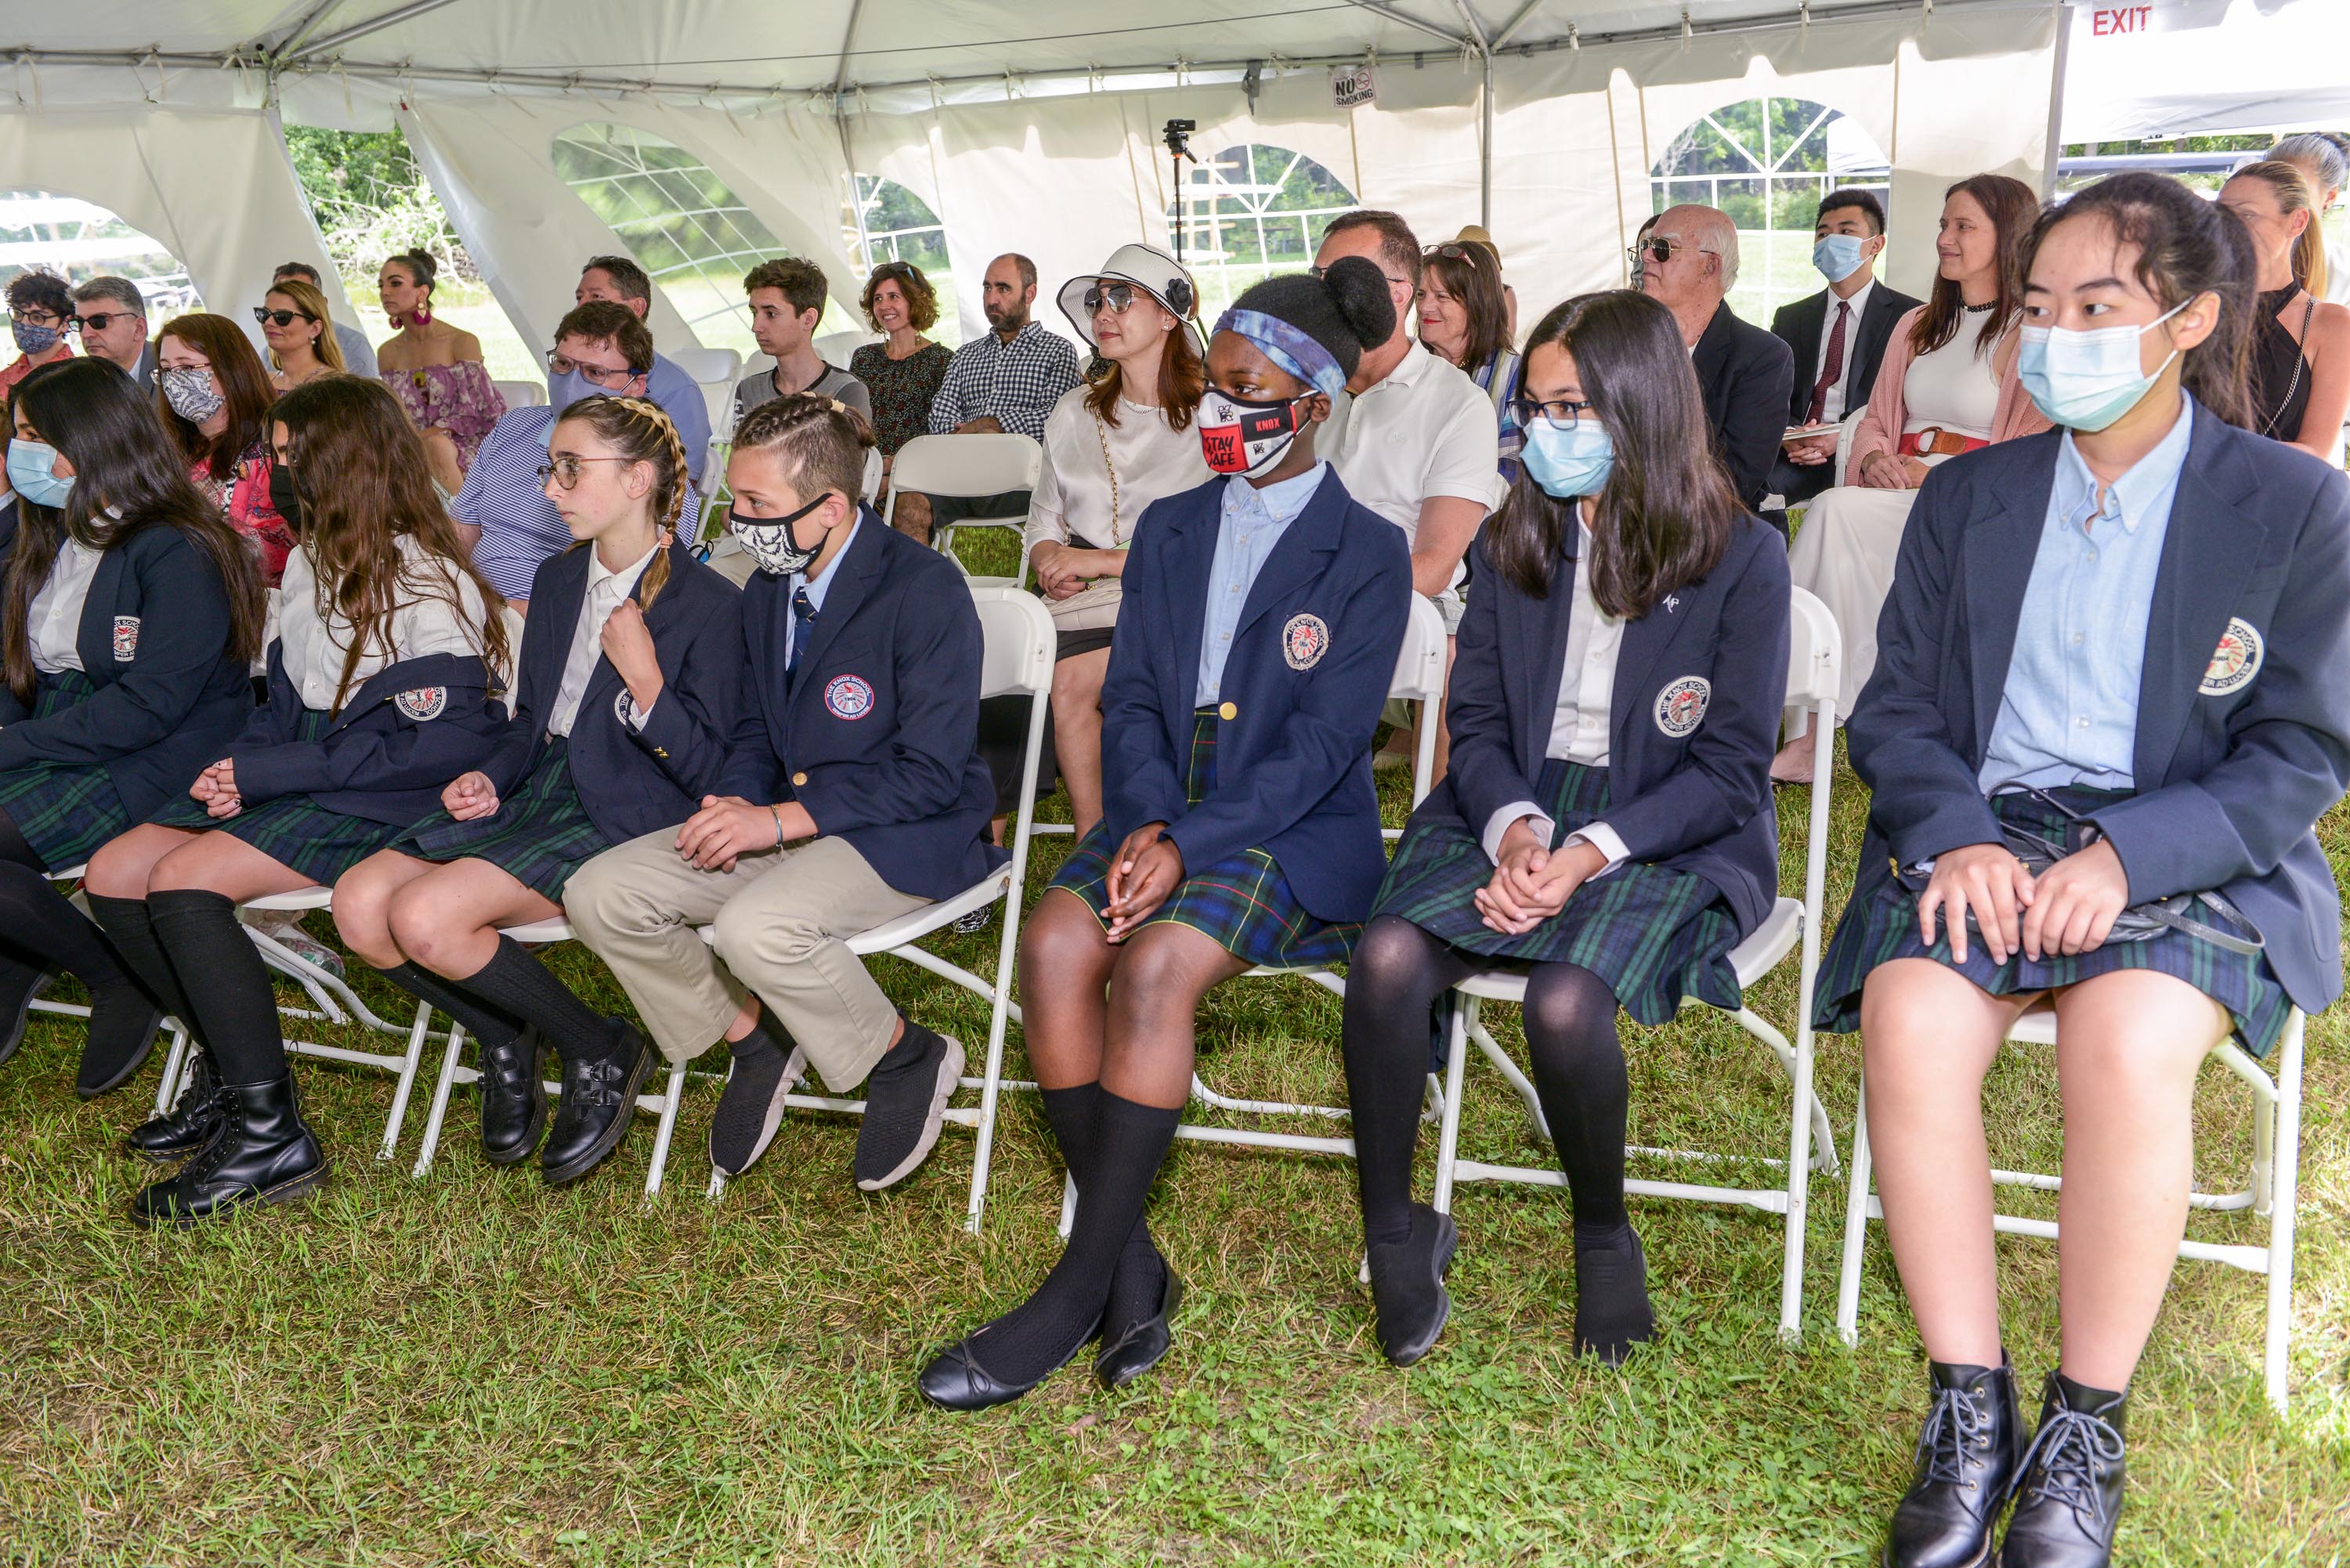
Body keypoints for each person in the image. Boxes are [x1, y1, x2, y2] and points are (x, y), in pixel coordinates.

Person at [1813, 172, 2350, 1568]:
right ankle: (1967, 1407)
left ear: (2187, 318)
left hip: (2192, 836)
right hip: (1993, 827)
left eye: (2096, 307)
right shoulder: (1973, 495)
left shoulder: (2293, 504)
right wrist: (1960, 833)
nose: (2058, 336)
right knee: (1912, 1019)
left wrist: (2130, 855)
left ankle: (2082, 1427)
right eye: (2039, 308)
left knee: (2120, 1043)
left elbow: (2301, 749)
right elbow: (1897, 715)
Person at [916, 260, 1412, 1411]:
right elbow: (1134, 694)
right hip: (1162, 797)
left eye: (1250, 391)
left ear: (1316, 402)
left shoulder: (1368, 550)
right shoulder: (1180, 524)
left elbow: (1325, 747)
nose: (1225, 412)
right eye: (1219, 388)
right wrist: (1145, 820)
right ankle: (1133, 1259)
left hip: (1284, 822)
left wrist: (1191, 842)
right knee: (1051, 943)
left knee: (1151, 971)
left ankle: (1079, 1280)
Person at [1339, 288, 1788, 1370]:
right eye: (1536, 407)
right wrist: (1517, 830)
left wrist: (1590, 851)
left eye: (1573, 406)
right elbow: (1479, 722)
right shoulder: (1514, 538)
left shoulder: (1741, 557)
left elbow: (1729, 767)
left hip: (1664, 822)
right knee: (1389, 954)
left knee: (1566, 995)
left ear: (1642, 408)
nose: (1546, 431)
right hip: (1518, 804)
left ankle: (1602, 1231)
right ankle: (1396, 1229)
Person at [81, 377, 508, 1223]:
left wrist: (268, 774)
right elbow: (284, 708)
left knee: (182, 883)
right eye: (272, 454)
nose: (274, 471)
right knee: (115, 871)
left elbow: (434, 747)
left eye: (288, 456)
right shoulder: (314, 558)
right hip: (319, 773)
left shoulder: (424, 581)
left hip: (396, 798)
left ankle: (272, 1131)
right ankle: (227, 1061)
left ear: (348, 461)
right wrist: (236, 765)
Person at [562, 395, 994, 1191]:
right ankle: (754, 1040)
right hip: (789, 819)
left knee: (754, 927)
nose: (737, 519)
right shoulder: (769, 586)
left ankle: (905, 1056)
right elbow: (760, 727)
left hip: (903, 828)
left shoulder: (924, 589)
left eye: (757, 504)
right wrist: (730, 805)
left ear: (831, 507)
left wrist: (776, 820)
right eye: (736, 497)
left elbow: (931, 772)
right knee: (600, 892)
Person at [331, 396, 741, 1184]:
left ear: (638, 480)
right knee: (358, 904)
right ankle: (506, 1029)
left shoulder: (711, 605)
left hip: (629, 803)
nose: (550, 488)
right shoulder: (557, 581)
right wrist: (492, 772)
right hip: (542, 785)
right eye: (549, 467)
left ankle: (599, 1043)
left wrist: (646, 678)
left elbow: (711, 771)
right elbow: (529, 717)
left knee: (423, 916)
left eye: (570, 469)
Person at [0, 359, 263, 1099]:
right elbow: (21, 676)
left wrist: (8, 747)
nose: (19, 454)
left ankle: (110, 974)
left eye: (33, 436)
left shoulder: (175, 547)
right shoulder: (51, 531)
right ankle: (29, 947)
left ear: (93, 439)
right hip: (69, 733)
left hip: (151, 756)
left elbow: (147, 708)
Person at [1772, 174, 2048, 785]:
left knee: (1834, 514)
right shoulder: (1920, 324)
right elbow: (1876, 419)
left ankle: (1808, 714)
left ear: (2009, 236)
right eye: (1944, 225)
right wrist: (1874, 460)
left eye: (1962, 226)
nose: (1944, 238)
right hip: (1893, 486)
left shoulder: (2032, 332)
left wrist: (1937, 475)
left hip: (1973, 496)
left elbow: (2035, 448)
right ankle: (1819, 718)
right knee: (1841, 514)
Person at [984, 244, 1209, 838]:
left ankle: (1093, 842)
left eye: (1119, 298)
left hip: (1178, 600)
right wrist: (1047, 559)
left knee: (1065, 677)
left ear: (1168, 316)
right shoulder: (1073, 410)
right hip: (1078, 598)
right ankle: (988, 839)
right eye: (1095, 300)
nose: (1102, 312)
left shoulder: (1213, 416)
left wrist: (1093, 561)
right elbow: (1042, 517)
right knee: (987, 656)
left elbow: (1215, 542)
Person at [1314, 210, 1506, 781]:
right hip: (1294, 593)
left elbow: (1434, 565)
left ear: (1399, 294)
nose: (1319, 294)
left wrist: (1323, 592)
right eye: (1316, 276)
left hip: (1398, 601)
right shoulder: (1301, 390)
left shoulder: (1458, 404)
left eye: (1338, 278)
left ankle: (1438, 830)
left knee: (1449, 650)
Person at [455, 302, 701, 612]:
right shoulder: (514, 426)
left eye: (594, 372)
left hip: (553, 625)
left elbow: (645, 593)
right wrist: (445, 587)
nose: (571, 383)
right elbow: (462, 529)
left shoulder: (648, 473)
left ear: (636, 385)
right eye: (562, 364)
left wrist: (503, 613)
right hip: (469, 604)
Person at [1636, 204, 1797, 512]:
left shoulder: (1763, 356)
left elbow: (1734, 480)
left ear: (1710, 267)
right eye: (1646, 246)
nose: (1647, 256)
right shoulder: (1625, 341)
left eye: (1663, 247)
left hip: (1712, 530)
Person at [1770, 189, 1925, 506]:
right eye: (1823, 233)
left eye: (1846, 232)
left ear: (1876, 244)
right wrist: (1788, 437)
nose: (1830, 242)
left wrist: (1842, 438)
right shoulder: (1792, 317)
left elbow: (1909, 405)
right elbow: (1773, 394)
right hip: (1792, 453)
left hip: (1864, 456)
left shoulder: (1911, 317)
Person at [920, 254, 1083, 545]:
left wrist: (990, 426)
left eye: (1003, 288)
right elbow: (940, 419)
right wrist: (978, 433)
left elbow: (1054, 421)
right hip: (961, 479)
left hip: (1024, 483)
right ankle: (919, 588)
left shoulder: (1058, 351)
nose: (991, 298)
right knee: (910, 506)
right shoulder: (966, 355)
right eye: (987, 288)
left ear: (1030, 293)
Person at [154, 313, 299, 588]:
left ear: (228, 368)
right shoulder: (171, 452)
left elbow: (273, 555)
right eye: (165, 370)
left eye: (186, 367)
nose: (174, 380)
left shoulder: (272, 450)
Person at [2218, 161, 2350, 461]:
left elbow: (2314, 451)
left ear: (2297, 222)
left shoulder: (2329, 323)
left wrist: (2202, 452)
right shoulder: (2196, 311)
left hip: (2275, 498)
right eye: (2222, 215)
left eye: (2248, 215)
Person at [376, 249, 504, 493]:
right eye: (381, 285)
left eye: (395, 283)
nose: (384, 292)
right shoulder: (388, 352)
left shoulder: (461, 342)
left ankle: (459, 526)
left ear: (422, 292)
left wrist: (422, 439)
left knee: (436, 447)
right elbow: (391, 415)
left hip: (466, 442)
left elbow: (475, 412)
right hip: (410, 447)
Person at [573, 255, 714, 471]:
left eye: (596, 297)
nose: (580, 309)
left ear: (636, 308)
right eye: (579, 298)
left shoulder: (676, 390)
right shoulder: (570, 373)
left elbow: (682, 482)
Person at [849, 261, 953, 541]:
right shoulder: (864, 358)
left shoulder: (942, 361)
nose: (884, 306)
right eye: (878, 299)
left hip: (918, 469)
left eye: (894, 297)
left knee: (904, 505)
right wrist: (869, 472)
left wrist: (894, 472)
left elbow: (943, 431)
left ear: (915, 300)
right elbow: (852, 421)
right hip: (866, 466)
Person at [1416, 240, 1524, 484]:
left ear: (1478, 303)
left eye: (1442, 296)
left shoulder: (1515, 375)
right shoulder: (1407, 370)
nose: (1424, 307)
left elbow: (1515, 464)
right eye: (1421, 294)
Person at [733, 257, 871, 427]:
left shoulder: (847, 390)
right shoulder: (749, 390)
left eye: (771, 314)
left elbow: (850, 454)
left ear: (808, 319)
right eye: (755, 313)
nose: (756, 327)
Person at [2269, 131, 2350, 308]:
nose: (2281, 200)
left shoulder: (2344, 274)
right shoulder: (2238, 256)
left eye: (2296, 189)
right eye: (2272, 188)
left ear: (2330, 196)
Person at [272, 262, 378, 380]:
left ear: (322, 304)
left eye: (301, 298)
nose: (288, 305)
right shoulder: (269, 352)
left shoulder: (354, 345)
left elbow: (369, 397)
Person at [255, 277, 345, 394]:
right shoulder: (261, 383)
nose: (268, 323)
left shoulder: (334, 386)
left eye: (282, 317)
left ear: (314, 329)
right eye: (264, 314)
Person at [2, 272, 77, 399]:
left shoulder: (78, 378)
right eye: (18, 314)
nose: (24, 323)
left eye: (37, 317)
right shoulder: (4, 378)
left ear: (65, 323)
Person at [70, 277, 155, 388]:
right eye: (80, 322)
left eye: (99, 321)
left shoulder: (174, 371)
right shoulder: (77, 383)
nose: (86, 334)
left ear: (139, 328)